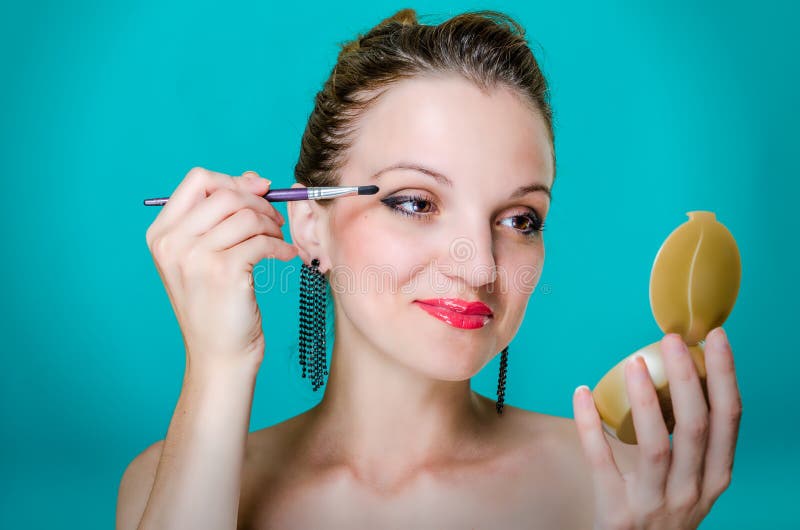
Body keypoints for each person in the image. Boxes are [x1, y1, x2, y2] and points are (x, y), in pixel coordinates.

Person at [117, 8, 742, 529]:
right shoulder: (170, 484)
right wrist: (218, 366)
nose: (477, 268)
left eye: (519, 218)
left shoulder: (620, 486)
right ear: (309, 222)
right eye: (415, 202)